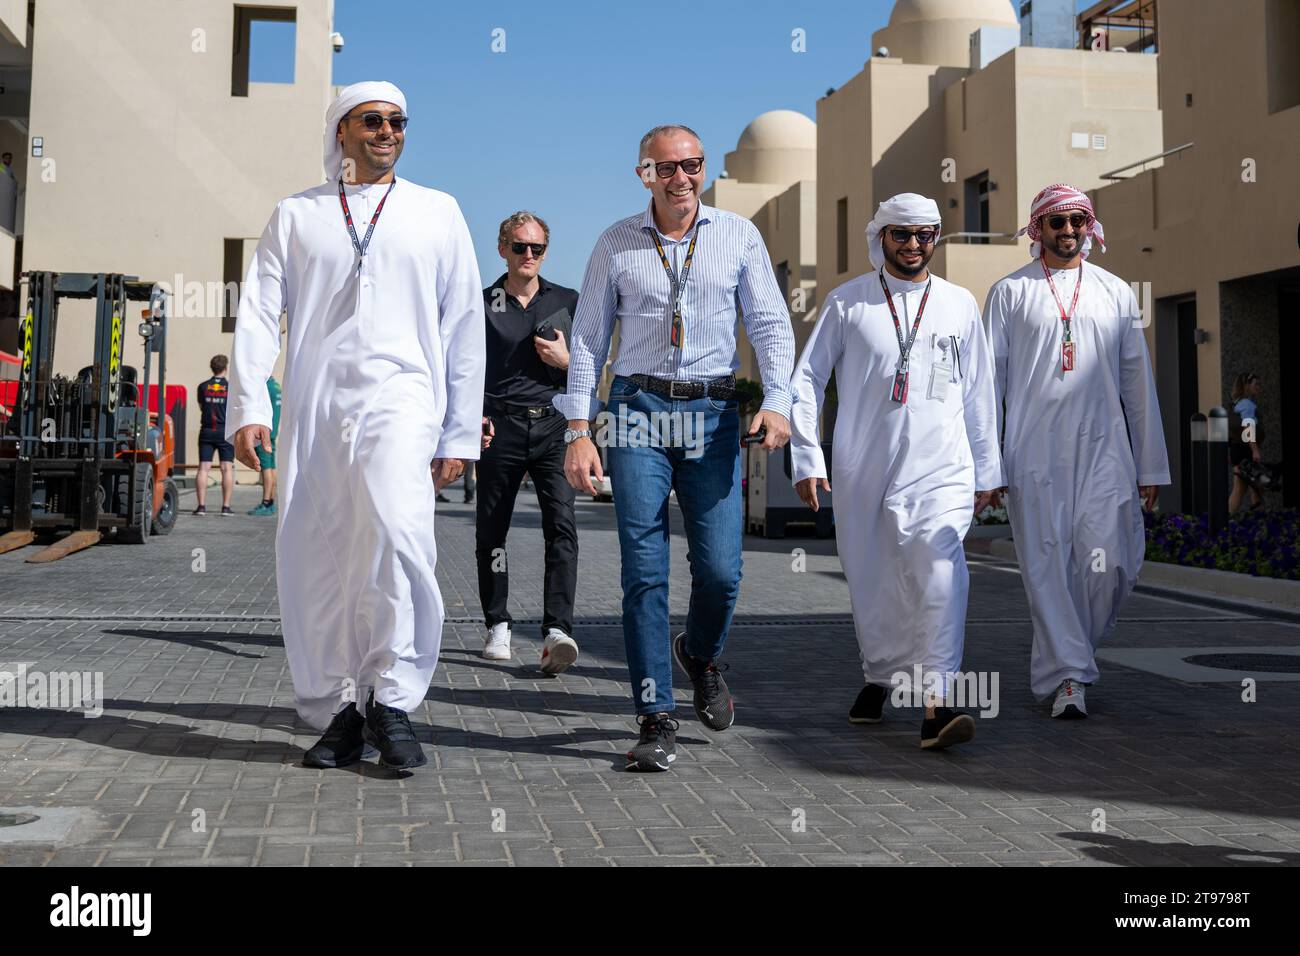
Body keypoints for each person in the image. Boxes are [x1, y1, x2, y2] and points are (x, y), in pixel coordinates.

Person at [226, 81, 485, 771]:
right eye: (374, 120)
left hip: (404, 401)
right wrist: (250, 405)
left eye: (399, 120)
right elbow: (257, 314)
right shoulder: (297, 215)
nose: (389, 131)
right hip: (316, 407)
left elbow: (464, 325)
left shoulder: (438, 212)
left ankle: (393, 697)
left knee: (399, 536)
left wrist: (459, 432)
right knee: (320, 555)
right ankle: (340, 707)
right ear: (342, 130)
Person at [559, 124, 795, 771]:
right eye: (666, 168)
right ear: (645, 174)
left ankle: (702, 653)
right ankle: (655, 713)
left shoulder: (738, 236)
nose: (680, 178)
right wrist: (579, 430)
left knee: (721, 569)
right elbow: (587, 340)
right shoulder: (617, 243)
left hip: (714, 413)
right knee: (644, 571)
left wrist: (779, 400)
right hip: (637, 407)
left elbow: (771, 322)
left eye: (691, 165)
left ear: (703, 169)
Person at [790, 194, 1002, 750]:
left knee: (939, 570)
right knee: (875, 581)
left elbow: (980, 392)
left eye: (924, 235)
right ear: (880, 237)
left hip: (943, 466)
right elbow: (806, 381)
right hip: (865, 468)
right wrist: (808, 456)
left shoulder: (959, 304)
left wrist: (987, 470)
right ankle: (881, 676)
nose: (913, 245)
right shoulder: (847, 303)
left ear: (936, 238)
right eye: (900, 235)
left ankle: (936, 702)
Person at [985, 183, 1169, 719]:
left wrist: (1149, 462)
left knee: (1111, 563)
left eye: (1077, 222)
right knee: (1045, 564)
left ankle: (1070, 656)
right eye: (1057, 222)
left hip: (1105, 449)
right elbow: (985, 386)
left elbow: (1138, 381)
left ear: (1090, 226)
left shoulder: (1115, 291)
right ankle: (1069, 675)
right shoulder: (1009, 293)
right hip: (1032, 450)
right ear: (1037, 228)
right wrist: (987, 464)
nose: (1068, 231)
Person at [477, 211, 581, 674]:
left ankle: (557, 629)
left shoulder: (568, 300)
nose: (529, 256)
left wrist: (567, 359)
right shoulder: (481, 303)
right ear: (502, 249)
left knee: (561, 527)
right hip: (499, 426)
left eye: (537, 248)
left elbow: (591, 367)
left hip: (553, 426)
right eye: (520, 247)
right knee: (491, 531)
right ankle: (497, 623)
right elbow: (463, 367)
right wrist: (470, 417)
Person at [195, 354, 234, 516]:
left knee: (204, 468)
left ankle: (201, 507)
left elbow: (201, 407)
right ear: (225, 368)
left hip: (207, 431)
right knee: (226, 468)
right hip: (225, 432)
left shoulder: (203, 387)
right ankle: (225, 507)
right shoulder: (231, 387)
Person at [1228, 372, 1264, 512]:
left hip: (1238, 449)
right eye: (1256, 384)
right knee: (1246, 487)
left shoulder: (1236, 403)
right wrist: (1255, 450)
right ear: (1246, 386)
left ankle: (1257, 514)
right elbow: (1248, 427)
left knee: (1249, 486)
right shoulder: (1247, 404)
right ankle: (1225, 521)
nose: (1259, 387)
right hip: (1245, 450)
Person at [248, 376, 281, 516]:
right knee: (272, 467)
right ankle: (271, 501)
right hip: (272, 431)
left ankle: (266, 502)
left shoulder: (265, 387)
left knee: (266, 468)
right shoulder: (276, 385)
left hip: (264, 433)